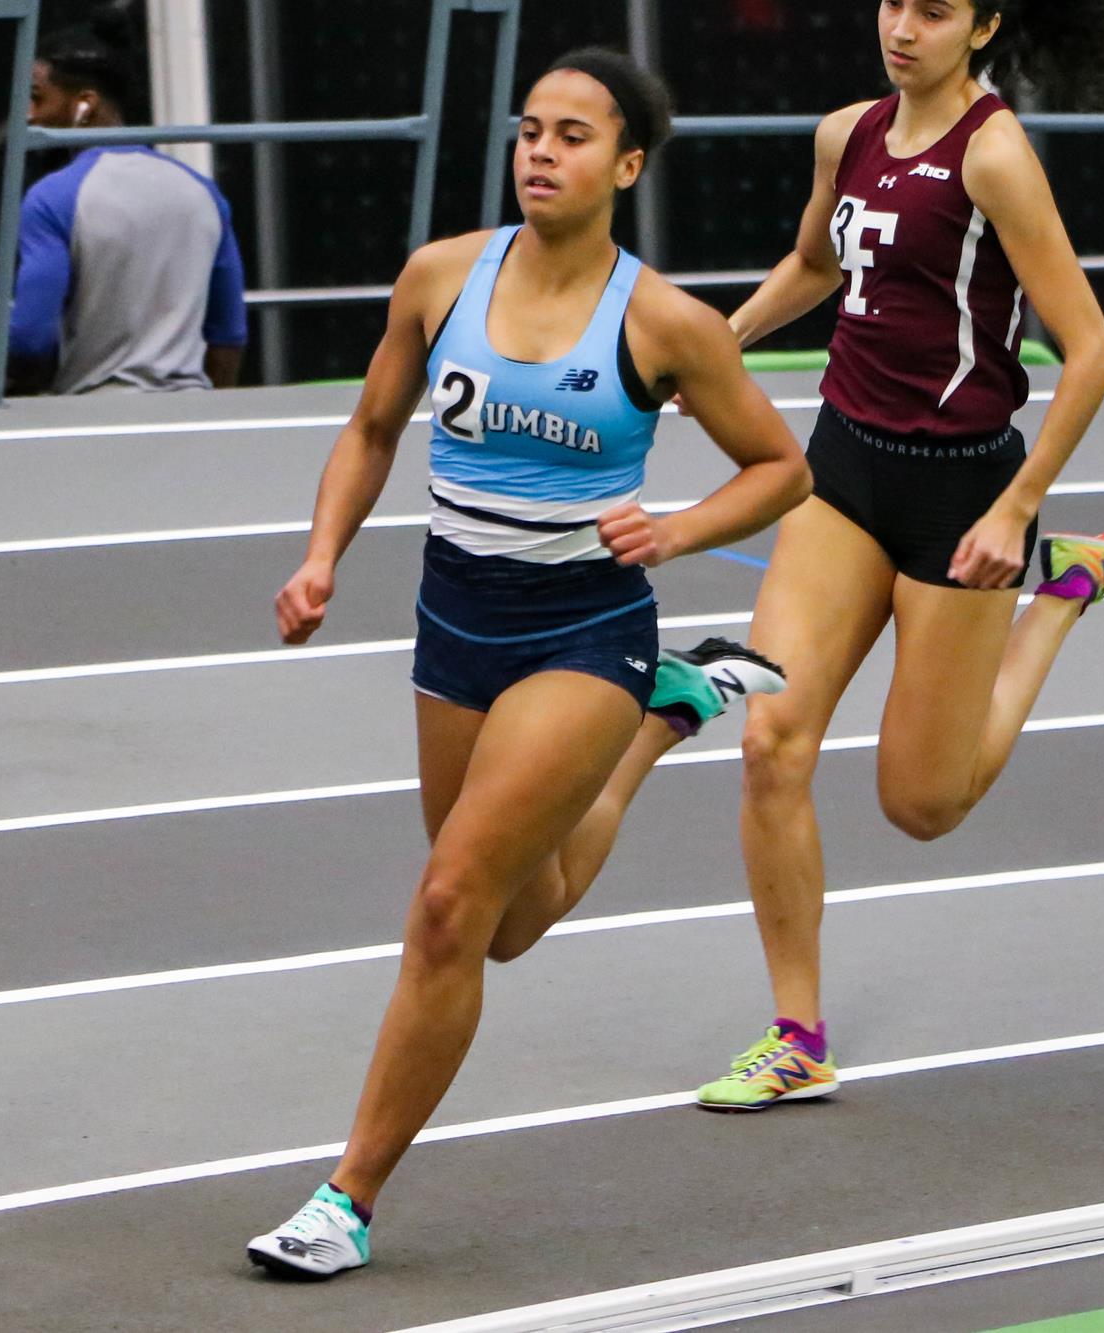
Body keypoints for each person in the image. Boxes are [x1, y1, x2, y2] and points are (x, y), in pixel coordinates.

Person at [247, 48, 810, 1280]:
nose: (541, 152)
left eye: (570, 135)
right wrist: (320, 557)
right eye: (527, 131)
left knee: (448, 906)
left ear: (625, 164)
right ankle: (664, 725)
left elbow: (780, 467)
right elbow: (371, 425)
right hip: (454, 621)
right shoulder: (442, 275)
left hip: (581, 631)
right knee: (503, 926)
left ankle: (346, 1199)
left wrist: (675, 527)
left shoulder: (663, 321)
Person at [691, 0, 1104, 1111]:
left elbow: (1088, 352)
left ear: (986, 24)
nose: (902, 27)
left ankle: (1064, 590)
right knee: (769, 738)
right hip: (841, 469)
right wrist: (718, 339)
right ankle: (795, 1035)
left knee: (921, 804)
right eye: (892, 2)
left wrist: (1018, 506)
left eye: (934, 10)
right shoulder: (843, 133)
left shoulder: (994, 156)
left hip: (961, 494)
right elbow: (813, 265)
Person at [8, 14, 247, 394]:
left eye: (37, 98)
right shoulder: (201, 190)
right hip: (190, 410)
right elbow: (227, 336)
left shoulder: (52, 197)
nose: (28, 115)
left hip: (93, 413)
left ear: (85, 104)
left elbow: (30, 338)